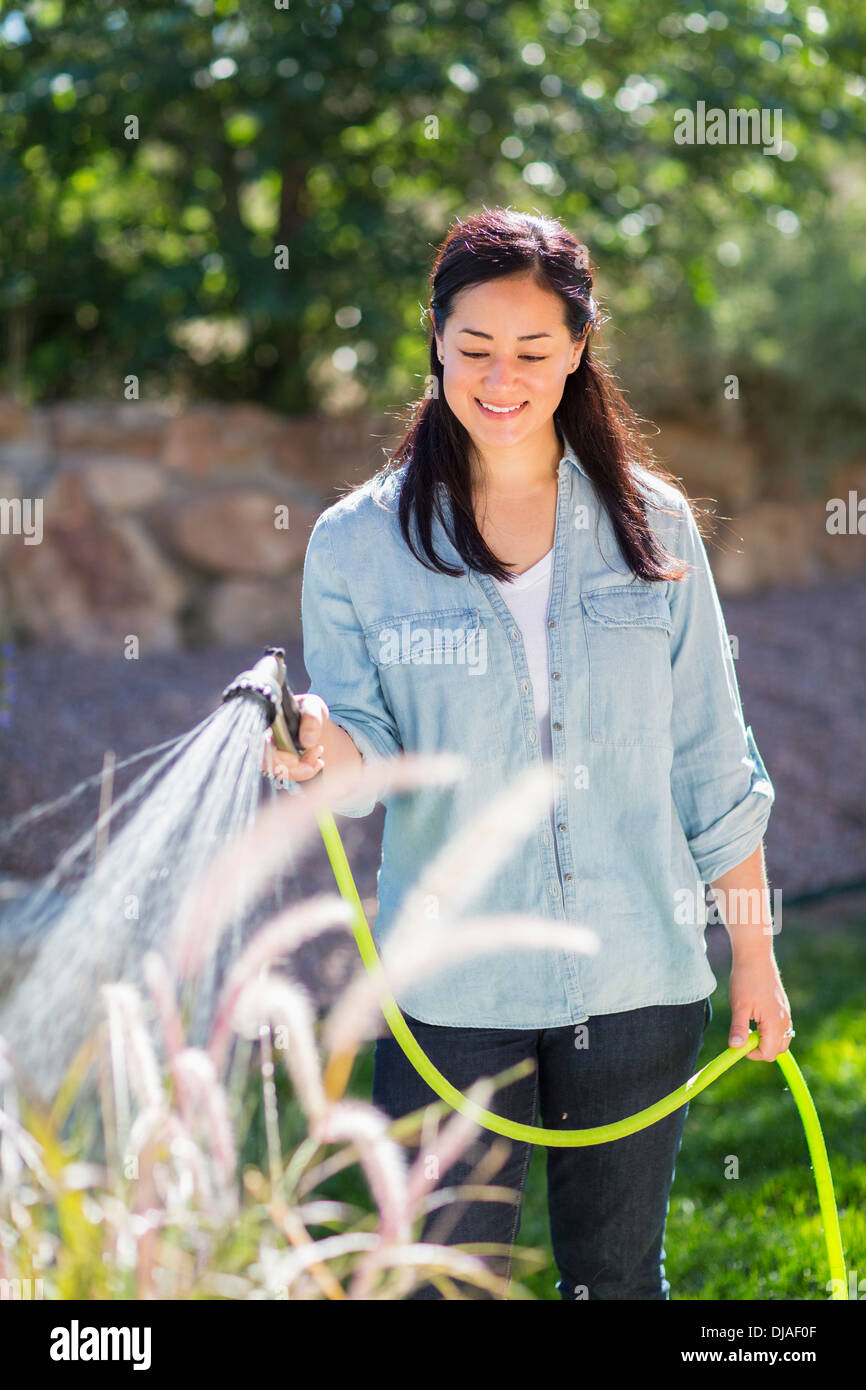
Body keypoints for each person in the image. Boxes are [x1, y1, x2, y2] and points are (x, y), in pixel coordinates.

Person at [264, 208, 793, 1300]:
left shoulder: (653, 528)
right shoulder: (355, 546)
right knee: (440, 1280)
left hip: (639, 976)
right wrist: (320, 744)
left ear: (578, 349)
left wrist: (753, 956)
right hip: (450, 986)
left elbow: (709, 760)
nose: (499, 378)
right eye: (472, 350)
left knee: (611, 1277)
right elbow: (371, 762)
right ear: (433, 342)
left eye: (531, 352)